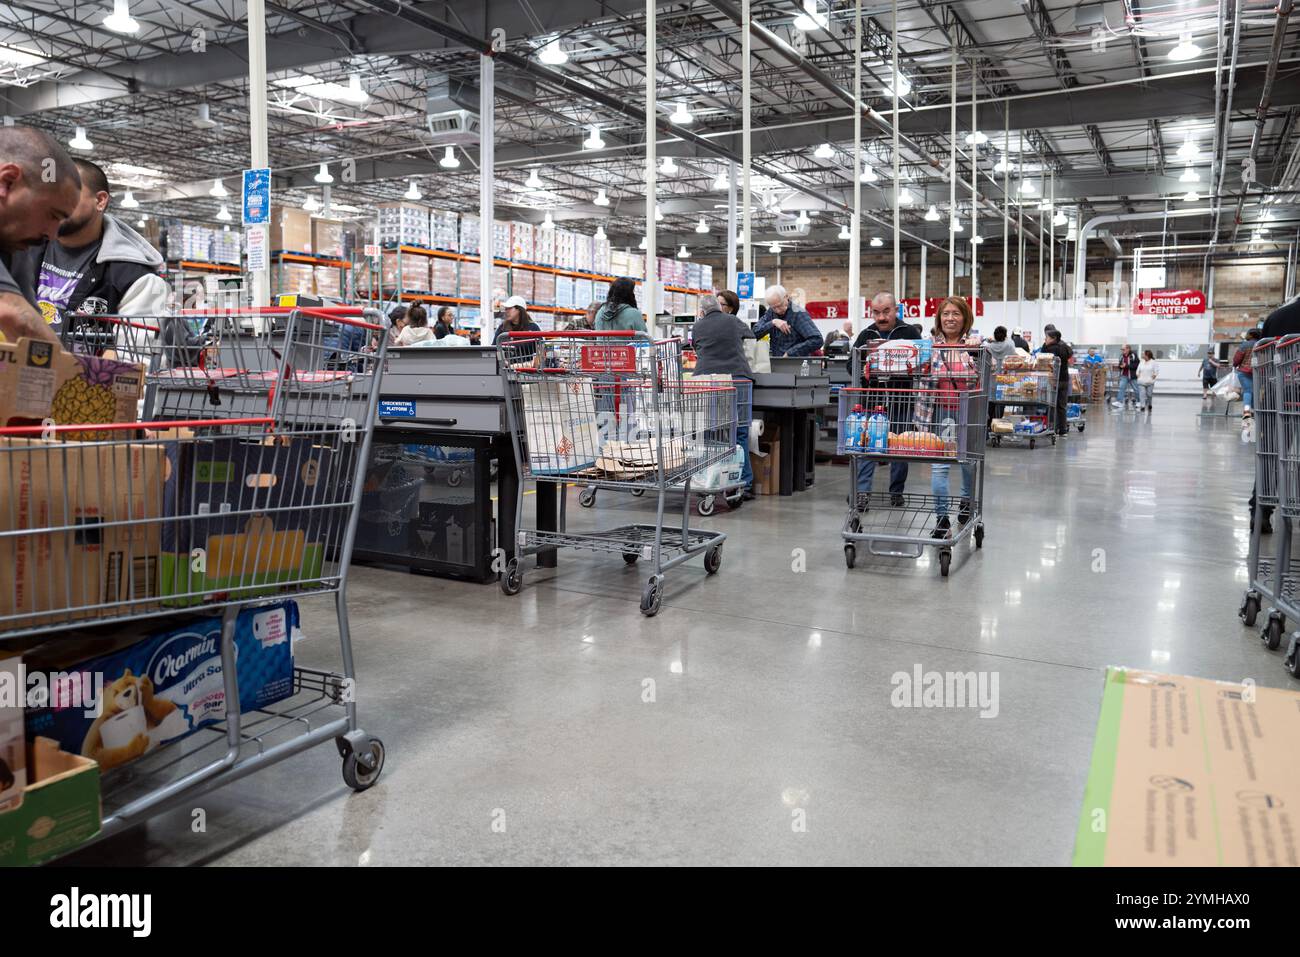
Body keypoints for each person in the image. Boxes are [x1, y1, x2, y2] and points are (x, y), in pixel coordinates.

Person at [12, 158, 166, 347]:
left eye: (65, 193)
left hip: (80, 367)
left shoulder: (136, 278)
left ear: (100, 201)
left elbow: (132, 355)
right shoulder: (20, 249)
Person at [0, 126, 83, 344]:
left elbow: (30, 318)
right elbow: (13, 315)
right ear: (7, 181)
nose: (52, 235)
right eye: (52, 215)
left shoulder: (13, 242)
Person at [917, 297, 979, 538]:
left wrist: (975, 351)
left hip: (968, 414)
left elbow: (991, 370)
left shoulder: (975, 346)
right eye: (945, 314)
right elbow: (915, 369)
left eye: (956, 313)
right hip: (940, 414)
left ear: (965, 318)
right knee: (940, 467)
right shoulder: (929, 346)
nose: (950, 318)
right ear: (939, 318)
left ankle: (965, 501)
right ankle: (942, 519)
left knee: (967, 464)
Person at [850, 291, 919, 506]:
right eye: (876, 312)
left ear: (896, 310)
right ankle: (862, 492)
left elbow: (923, 363)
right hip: (872, 401)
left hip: (901, 401)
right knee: (868, 447)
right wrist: (866, 367)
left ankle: (896, 492)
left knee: (900, 447)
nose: (881, 317)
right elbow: (851, 365)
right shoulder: (866, 334)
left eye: (886, 312)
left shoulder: (910, 332)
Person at [693, 292, 757, 501]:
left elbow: (696, 348)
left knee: (710, 432)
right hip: (737, 378)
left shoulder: (698, 326)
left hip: (708, 381)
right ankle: (744, 483)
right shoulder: (733, 321)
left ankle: (709, 479)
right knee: (739, 432)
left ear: (702, 311)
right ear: (719, 307)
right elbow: (751, 335)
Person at [754, 284, 821, 357]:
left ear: (786, 297)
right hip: (778, 361)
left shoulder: (798, 313)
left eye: (779, 305)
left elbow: (817, 340)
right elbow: (754, 334)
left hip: (796, 362)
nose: (777, 310)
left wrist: (791, 353)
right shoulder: (770, 313)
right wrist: (773, 322)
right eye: (774, 308)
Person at [1038, 328, 1073, 435]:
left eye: (1047, 337)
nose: (1045, 339)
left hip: (1053, 380)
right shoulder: (1064, 347)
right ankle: (1062, 430)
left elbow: (1041, 357)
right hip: (1064, 379)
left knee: (1051, 404)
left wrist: (1044, 345)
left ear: (1053, 338)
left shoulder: (1049, 349)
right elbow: (1070, 353)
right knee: (1062, 406)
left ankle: (1052, 428)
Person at [1233, 328, 1262, 413]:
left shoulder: (1245, 344)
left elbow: (1237, 358)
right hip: (1258, 372)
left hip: (1244, 371)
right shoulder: (1261, 344)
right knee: (1254, 391)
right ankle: (1254, 410)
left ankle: (1247, 410)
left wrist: (1235, 364)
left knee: (1247, 391)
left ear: (1251, 335)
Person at [1112, 344, 1140, 409]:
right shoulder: (1121, 356)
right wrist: (1120, 366)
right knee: (1121, 388)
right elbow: (1120, 364)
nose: (1122, 350)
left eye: (1123, 349)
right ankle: (1119, 402)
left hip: (1132, 376)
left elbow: (1136, 365)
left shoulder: (1133, 355)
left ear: (1128, 349)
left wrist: (1126, 366)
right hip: (1124, 375)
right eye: (1122, 349)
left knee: (1136, 389)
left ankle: (1139, 401)